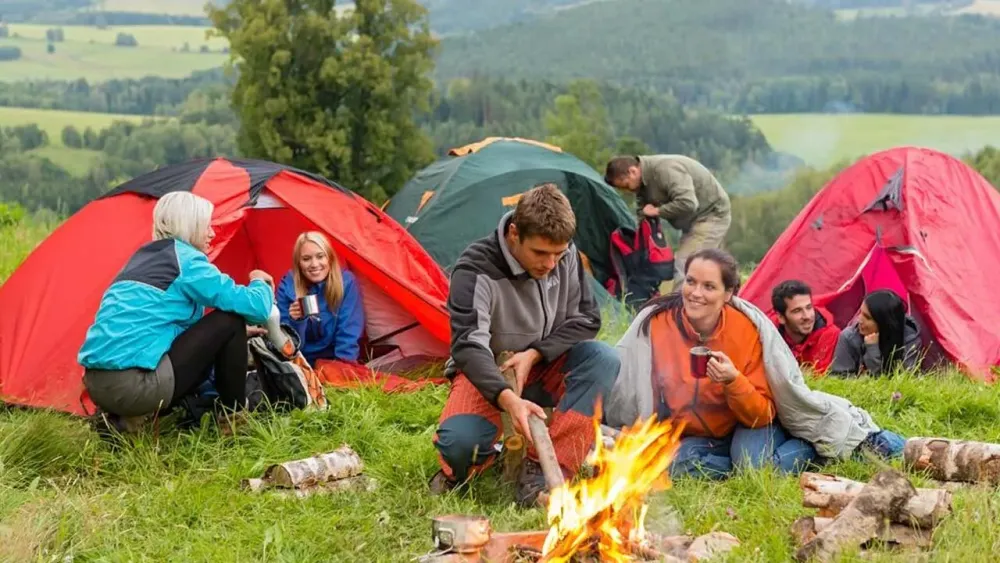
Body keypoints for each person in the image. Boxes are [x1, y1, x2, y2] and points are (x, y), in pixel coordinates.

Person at [430, 183, 620, 507]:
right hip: (490, 370)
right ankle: (477, 463)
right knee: (460, 448)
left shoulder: (565, 256)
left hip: (546, 365)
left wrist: (535, 354)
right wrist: (508, 399)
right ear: (514, 234)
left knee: (604, 358)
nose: (550, 264)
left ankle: (543, 472)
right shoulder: (475, 267)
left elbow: (587, 319)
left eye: (558, 254)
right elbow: (468, 346)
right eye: (540, 253)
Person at [78, 192, 275, 430]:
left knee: (227, 330)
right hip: (134, 387)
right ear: (189, 225)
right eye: (206, 226)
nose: (212, 234)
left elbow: (159, 327)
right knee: (230, 320)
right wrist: (259, 281)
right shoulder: (186, 261)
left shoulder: (141, 259)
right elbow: (257, 308)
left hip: (96, 385)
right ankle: (234, 422)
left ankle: (127, 422)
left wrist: (227, 339)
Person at [625, 249, 818, 479]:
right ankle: (734, 466)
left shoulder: (745, 330)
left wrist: (733, 381)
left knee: (752, 468)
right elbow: (635, 384)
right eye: (691, 282)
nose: (696, 293)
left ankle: (804, 448)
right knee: (673, 466)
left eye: (709, 286)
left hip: (748, 425)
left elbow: (762, 414)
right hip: (697, 435)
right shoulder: (660, 323)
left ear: (728, 293)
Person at [604, 154, 732, 287]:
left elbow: (688, 203)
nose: (627, 191)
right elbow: (643, 211)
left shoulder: (665, 170)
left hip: (711, 215)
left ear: (633, 171)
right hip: (692, 220)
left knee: (685, 263)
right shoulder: (642, 182)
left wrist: (658, 211)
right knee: (705, 266)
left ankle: (679, 301)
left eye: (626, 185)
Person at [276, 231, 365, 367]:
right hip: (301, 362)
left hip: (335, 360)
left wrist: (342, 369)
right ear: (298, 263)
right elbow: (287, 346)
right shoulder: (287, 288)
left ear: (329, 258)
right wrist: (297, 322)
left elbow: (348, 334)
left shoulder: (346, 283)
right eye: (306, 259)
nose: (314, 264)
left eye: (320, 256)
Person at [829, 289, 922, 377]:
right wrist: (872, 349)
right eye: (861, 312)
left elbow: (907, 379)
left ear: (884, 323)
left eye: (867, 317)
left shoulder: (909, 339)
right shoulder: (849, 337)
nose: (860, 320)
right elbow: (838, 378)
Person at [771, 280, 841, 375]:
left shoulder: (830, 334)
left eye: (809, 307)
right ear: (781, 317)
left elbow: (819, 377)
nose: (807, 316)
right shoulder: (769, 334)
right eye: (797, 311)